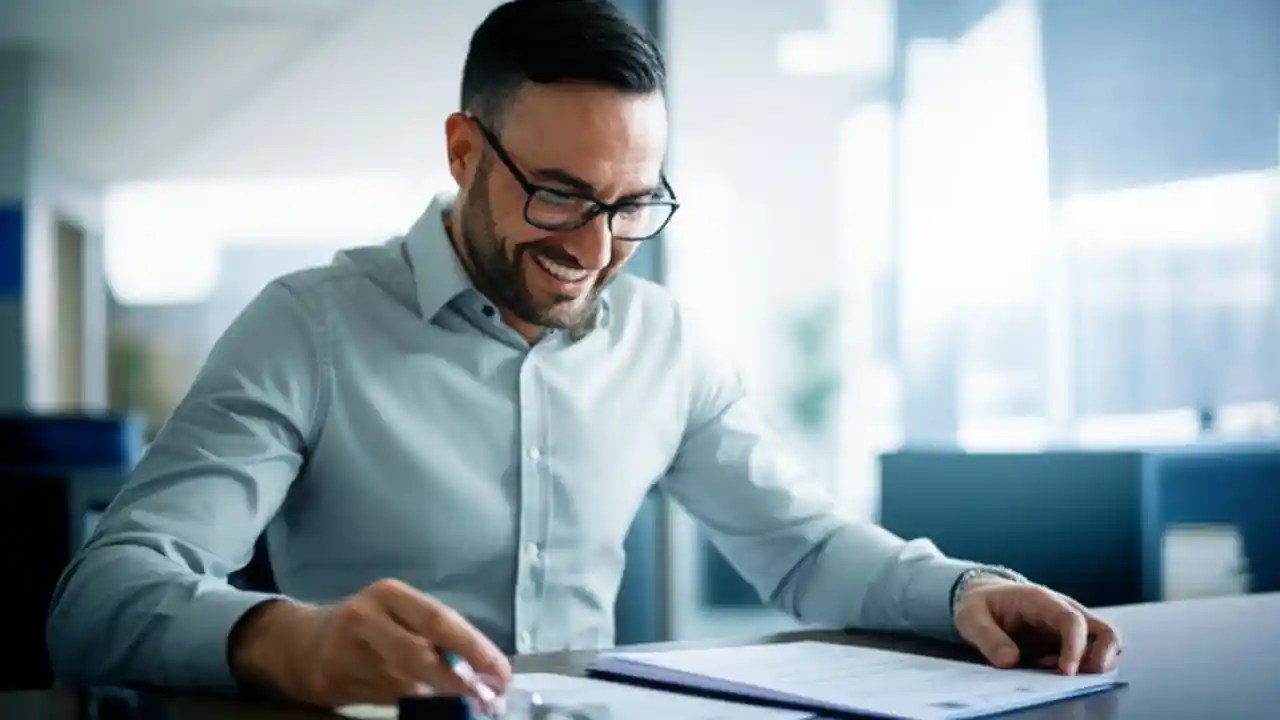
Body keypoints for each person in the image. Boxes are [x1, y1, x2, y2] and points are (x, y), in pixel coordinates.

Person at [46, 0, 1121, 709]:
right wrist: (296, 645)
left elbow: (794, 548)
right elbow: (101, 602)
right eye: (558, 194)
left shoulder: (662, 339)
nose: (595, 249)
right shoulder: (308, 326)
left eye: (629, 203)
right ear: (465, 151)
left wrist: (959, 592)